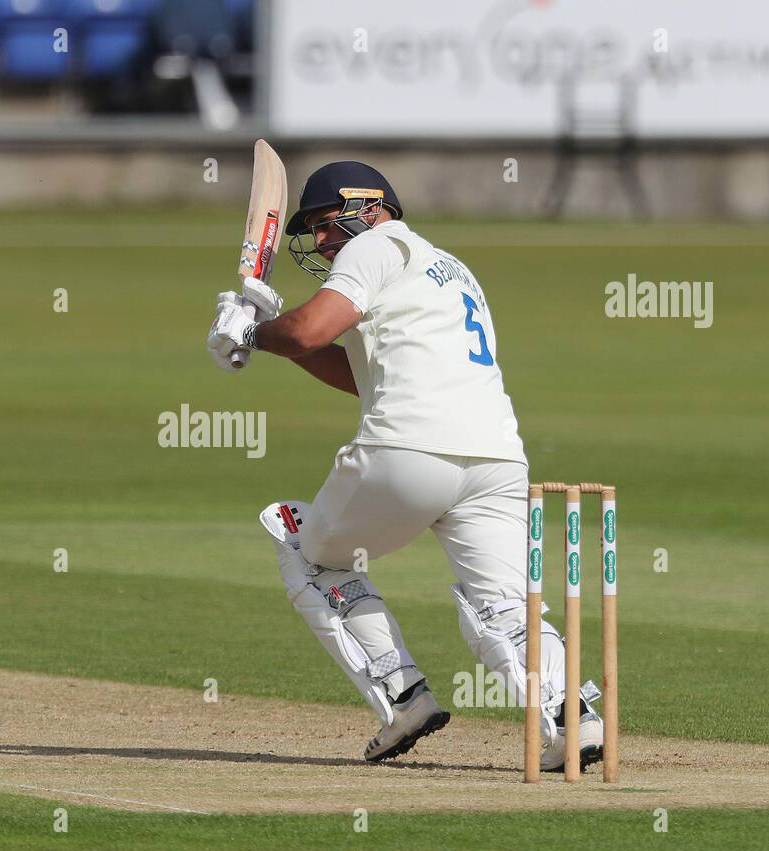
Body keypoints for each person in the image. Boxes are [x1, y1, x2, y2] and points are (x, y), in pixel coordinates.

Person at [207, 161, 603, 768]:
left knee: (306, 551)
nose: (318, 241)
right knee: (504, 608)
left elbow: (310, 330)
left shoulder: (371, 246)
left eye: (322, 223)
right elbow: (358, 371)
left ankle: (403, 697)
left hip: (407, 451)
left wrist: (254, 331)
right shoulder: (448, 268)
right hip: (496, 459)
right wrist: (269, 338)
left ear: (367, 206)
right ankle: (572, 719)